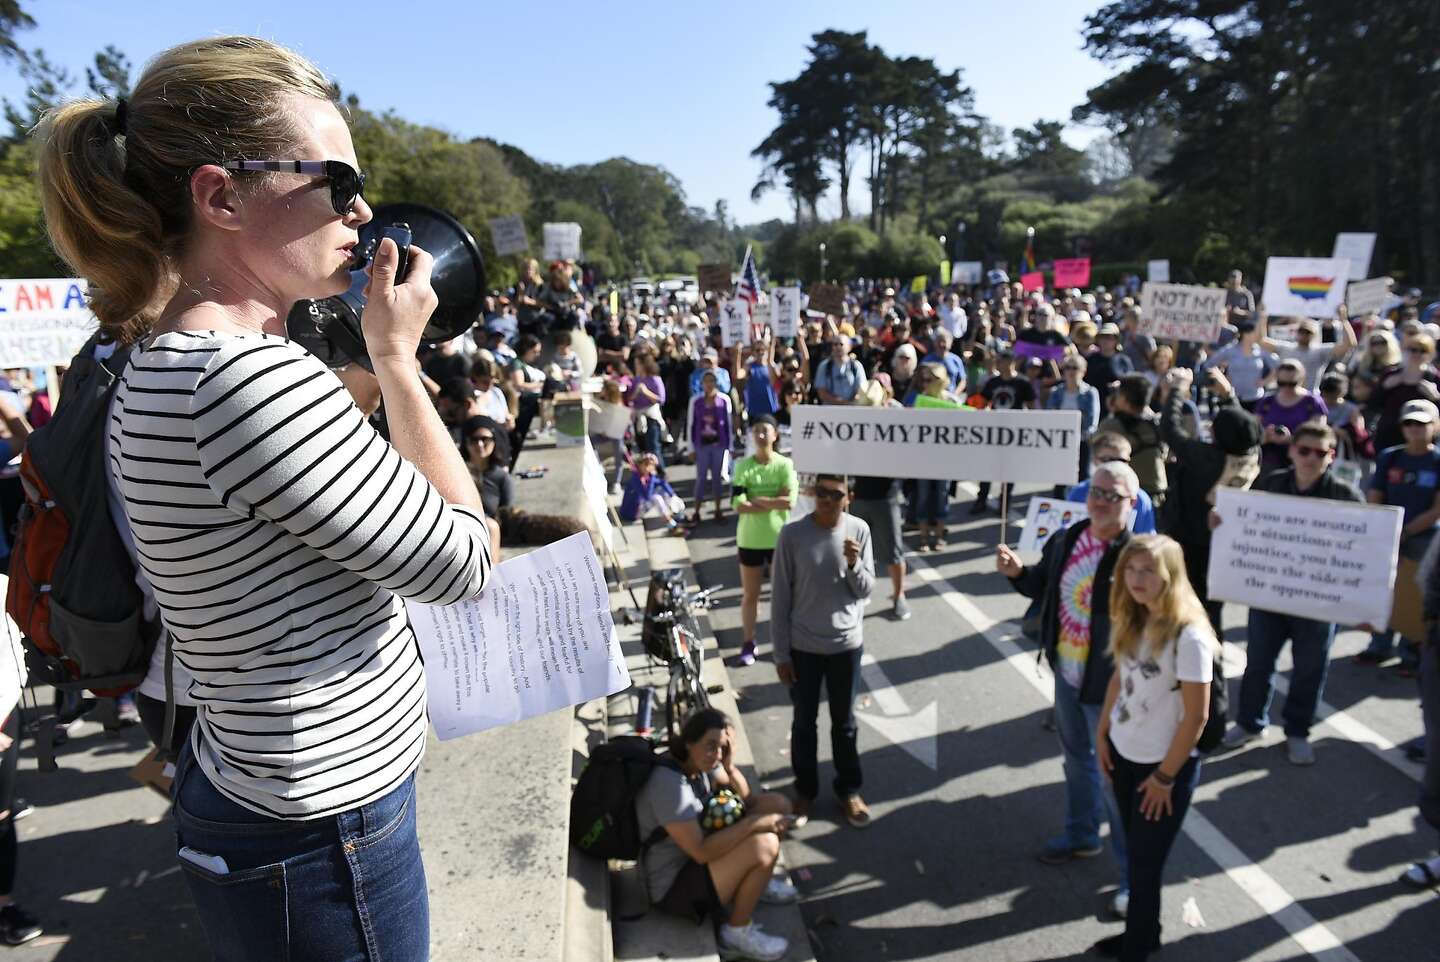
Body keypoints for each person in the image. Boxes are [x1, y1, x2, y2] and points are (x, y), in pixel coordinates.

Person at [44, 36, 494, 959]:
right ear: (221, 197)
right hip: (325, 828)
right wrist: (395, 359)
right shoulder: (247, 381)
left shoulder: (158, 361)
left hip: (258, 786)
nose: (362, 211)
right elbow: (465, 561)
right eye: (337, 182)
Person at [997, 463, 1139, 914]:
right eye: (1096, 492)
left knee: (1116, 782)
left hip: (1111, 688)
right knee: (1077, 761)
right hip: (1068, 675)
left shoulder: (1138, 556)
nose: (1101, 501)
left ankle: (1134, 879)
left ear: (1132, 503)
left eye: (1113, 495)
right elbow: (1040, 585)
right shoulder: (1069, 537)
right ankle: (1082, 836)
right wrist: (1017, 573)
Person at [1094, 535, 1216, 961]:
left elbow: (1196, 716)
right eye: (1130, 569)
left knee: (1145, 865)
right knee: (1136, 856)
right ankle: (1144, 935)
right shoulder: (1134, 615)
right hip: (1124, 753)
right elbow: (1119, 677)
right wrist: (1103, 732)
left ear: (1171, 575)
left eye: (1148, 570)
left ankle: (1137, 947)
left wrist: (1165, 778)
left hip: (1161, 770)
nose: (1136, 579)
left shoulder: (1190, 637)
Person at [1221, 421, 1362, 764]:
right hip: (1270, 596)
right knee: (1258, 663)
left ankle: (1297, 732)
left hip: (1317, 603)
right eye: (1304, 450)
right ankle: (1250, 723)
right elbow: (1245, 524)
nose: (1311, 458)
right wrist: (1222, 522)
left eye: (1320, 453)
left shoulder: (1345, 494)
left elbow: (1364, 545)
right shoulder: (1271, 483)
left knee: (1309, 670)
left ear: (1331, 456)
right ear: (1292, 452)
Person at [636, 708, 797, 961]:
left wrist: (729, 766)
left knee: (777, 805)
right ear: (689, 742)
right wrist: (753, 824)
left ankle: (755, 881)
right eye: (711, 746)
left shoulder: (703, 761)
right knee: (765, 844)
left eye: (723, 747)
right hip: (672, 887)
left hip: (695, 858)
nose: (717, 754)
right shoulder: (669, 786)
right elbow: (700, 852)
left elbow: (746, 800)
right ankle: (736, 934)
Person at [770, 474, 876, 829]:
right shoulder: (792, 535)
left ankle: (849, 790)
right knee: (804, 723)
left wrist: (854, 564)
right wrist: (781, 654)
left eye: (835, 494)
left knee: (844, 724)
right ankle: (805, 791)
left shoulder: (859, 531)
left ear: (849, 497)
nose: (827, 500)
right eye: (821, 493)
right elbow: (780, 598)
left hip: (846, 646)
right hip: (804, 648)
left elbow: (866, 590)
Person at [1155, 368, 1263, 633]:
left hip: (1190, 539)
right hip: (1223, 542)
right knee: (1212, 609)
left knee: (1184, 603)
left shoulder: (1206, 459)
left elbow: (1170, 430)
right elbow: (1244, 428)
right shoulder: (1251, 455)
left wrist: (1177, 390)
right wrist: (1228, 396)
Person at [1357, 398, 1440, 672]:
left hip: (1424, 538)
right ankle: (1379, 645)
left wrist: (1407, 531)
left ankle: (1410, 652)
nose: (1415, 429)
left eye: (1421, 424)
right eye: (1409, 423)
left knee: (1414, 595)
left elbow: (1437, 509)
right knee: (1384, 590)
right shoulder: (1390, 456)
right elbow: (1376, 494)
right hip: (1388, 536)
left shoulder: (1437, 461)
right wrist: (1383, 528)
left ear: (1435, 426)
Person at [731, 416, 798, 666]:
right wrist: (772, 501)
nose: (760, 435)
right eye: (756, 431)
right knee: (751, 595)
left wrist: (757, 500)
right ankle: (748, 642)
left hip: (780, 539)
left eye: (765, 430)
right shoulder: (742, 466)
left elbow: (789, 502)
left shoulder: (785, 465)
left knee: (784, 595)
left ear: (775, 434)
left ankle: (787, 643)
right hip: (750, 540)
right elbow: (738, 504)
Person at [974, 349, 1035, 514]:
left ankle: (1004, 502)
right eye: (998, 361)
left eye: (1001, 361)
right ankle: (981, 499)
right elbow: (982, 402)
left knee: (1009, 469)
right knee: (988, 467)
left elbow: (1032, 405)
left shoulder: (1022, 383)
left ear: (1010, 363)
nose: (999, 365)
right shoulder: (993, 382)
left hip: (1014, 433)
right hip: (994, 431)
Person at [1097, 374, 1167, 506]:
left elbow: (1097, 450)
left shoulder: (1111, 425)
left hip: (1125, 494)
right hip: (1157, 492)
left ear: (1123, 399)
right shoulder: (1158, 424)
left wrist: (1112, 412)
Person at [1067, 433, 1158, 534]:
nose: (1114, 465)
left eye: (1121, 461)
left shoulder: (1140, 498)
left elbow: (1146, 537)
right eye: (1107, 460)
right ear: (1094, 460)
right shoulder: (1078, 492)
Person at [1252, 360, 1329, 475]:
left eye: (1292, 383)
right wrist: (1266, 436)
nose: (1286, 388)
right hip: (1266, 460)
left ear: (1301, 379)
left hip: (1300, 463)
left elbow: (1319, 436)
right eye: (1282, 383)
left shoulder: (1312, 402)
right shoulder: (1267, 401)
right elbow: (1253, 432)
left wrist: (1290, 439)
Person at [1047, 354, 1102, 490]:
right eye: (1067, 368)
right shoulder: (1056, 392)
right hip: (1061, 441)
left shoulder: (1090, 393)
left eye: (1075, 368)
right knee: (1060, 479)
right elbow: (1050, 417)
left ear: (1083, 371)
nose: (1071, 371)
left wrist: (1079, 436)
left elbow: (1092, 423)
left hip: (1082, 441)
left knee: (1083, 477)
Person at [1263, 314, 1356, 392]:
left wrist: (1344, 320)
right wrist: (1263, 317)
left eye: (1307, 332)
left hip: (1310, 397)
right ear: (1296, 332)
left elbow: (1349, 345)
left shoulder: (1320, 351)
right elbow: (1261, 341)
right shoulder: (1285, 348)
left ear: (1314, 334)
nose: (1304, 335)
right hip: (1285, 396)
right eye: (1301, 331)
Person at [689, 369, 734, 524]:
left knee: (717, 478)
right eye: (706, 381)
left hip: (718, 444)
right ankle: (696, 511)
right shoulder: (696, 401)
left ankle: (718, 510)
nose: (709, 384)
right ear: (702, 383)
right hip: (701, 444)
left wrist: (731, 446)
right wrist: (690, 448)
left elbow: (728, 423)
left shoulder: (724, 400)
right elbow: (691, 424)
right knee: (701, 478)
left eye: (712, 381)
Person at [460, 415, 516, 518]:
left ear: (494, 441)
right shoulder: (458, 475)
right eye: (473, 439)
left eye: (485, 438)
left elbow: (507, 517)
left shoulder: (502, 478)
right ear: (465, 443)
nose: (480, 444)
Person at [618, 452, 685, 535]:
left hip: (638, 506)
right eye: (646, 464)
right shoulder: (636, 478)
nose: (648, 467)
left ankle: (677, 513)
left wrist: (673, 495)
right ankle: (671, 525)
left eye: (651, 465)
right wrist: (652, 477)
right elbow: (647, 496)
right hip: (630, 513)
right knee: (656, 498)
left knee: (662, 491)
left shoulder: (646, 476)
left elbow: (662, 482)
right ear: (640, 464)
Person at [814, 334, 866, 405]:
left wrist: (850, 403)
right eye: (835, 344)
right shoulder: (824, 366)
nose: (838, 347)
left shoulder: (856, 366)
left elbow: (861, 390)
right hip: (829, 409)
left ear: (849, 347)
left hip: (851, 408)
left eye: (841, 344)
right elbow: (821, 393)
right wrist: (841, 402)